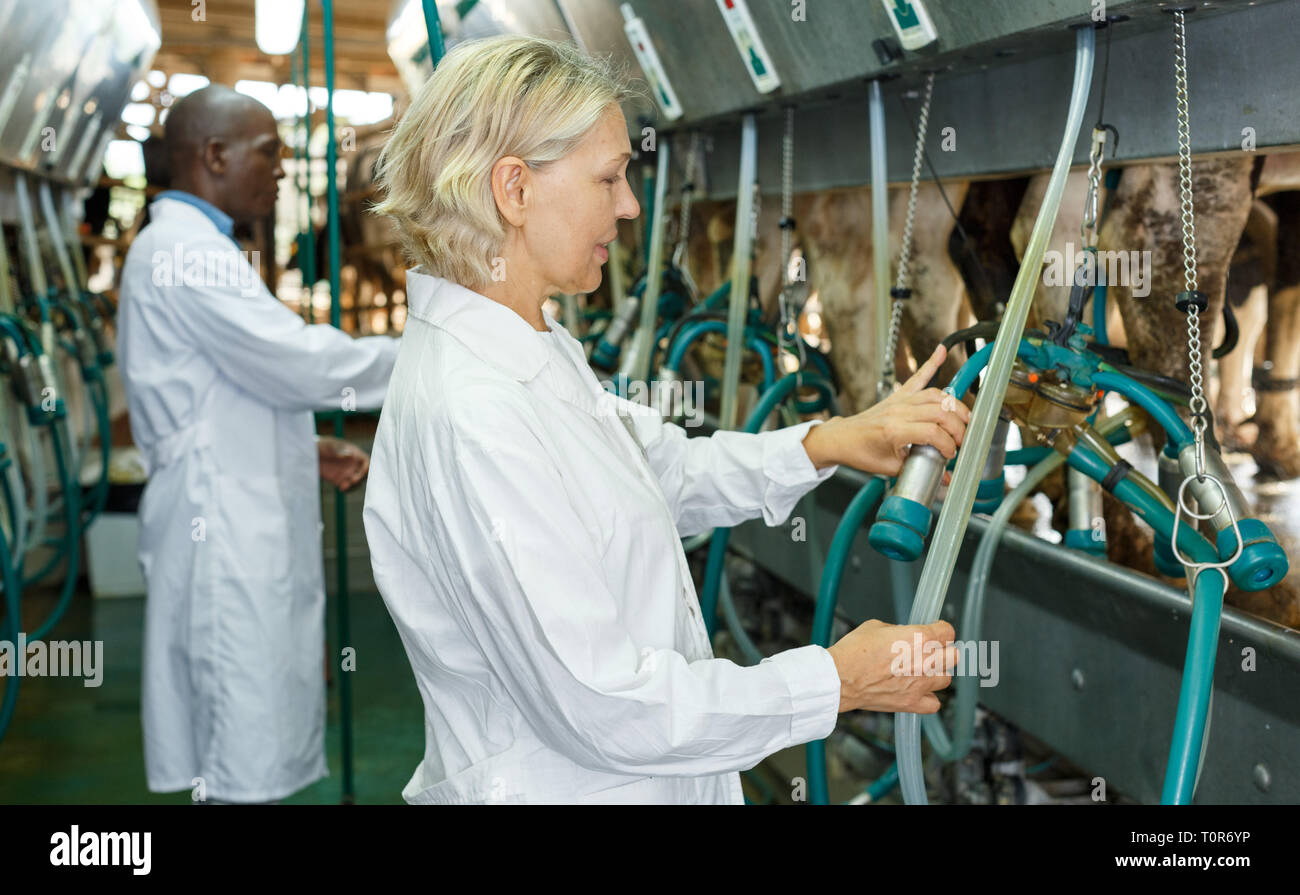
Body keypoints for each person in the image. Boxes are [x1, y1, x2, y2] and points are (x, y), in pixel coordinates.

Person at [364, 36, 968, 804]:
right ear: (513, 189)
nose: (628, 205)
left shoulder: (527, 346)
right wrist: (836, 679)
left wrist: (829, 442)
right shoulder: (475, 412)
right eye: (608, 177)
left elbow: (655, 470)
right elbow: (604, 705)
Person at [117, 85, 399, 803]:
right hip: (221, 530)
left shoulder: (196, 247)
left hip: (228, 508)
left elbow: (224, 392)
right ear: (214, 154)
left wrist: (305, 448)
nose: (279, 170)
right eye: (268, 152)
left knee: (243, 737)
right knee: (237, 746)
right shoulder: (183, 252)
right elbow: (296, 363)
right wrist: (435, 352)